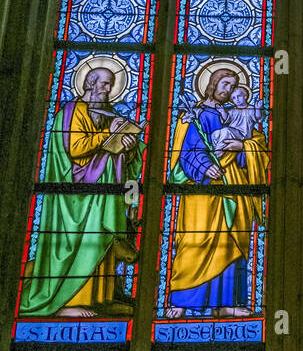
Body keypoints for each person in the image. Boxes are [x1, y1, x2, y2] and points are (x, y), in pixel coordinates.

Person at [20, 66, 141, 318]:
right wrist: (108, 135)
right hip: (74, 195)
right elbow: (75, 148)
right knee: (80, 243)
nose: (107, 90)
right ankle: (67, 301)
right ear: (89, 83)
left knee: (101, 240)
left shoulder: (107, 115)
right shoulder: (70, 112)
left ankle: (100, 298)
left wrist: (129, 147)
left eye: (110, 85)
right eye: (104, 84)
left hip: (104, 194)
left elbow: (122, 157)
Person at [167, 67, 268, 318]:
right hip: (203, 187)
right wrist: (204, 166)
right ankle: (182, 299)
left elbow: (258, 142)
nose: (229, 90)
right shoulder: (195, 113)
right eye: (225, 84)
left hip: (234, 182)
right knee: (195, 239)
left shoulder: (238, 113)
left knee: (233, 241)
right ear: (212, 84)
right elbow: (186, 150)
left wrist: (243, 147)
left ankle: (229, 302)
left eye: (233, 86)